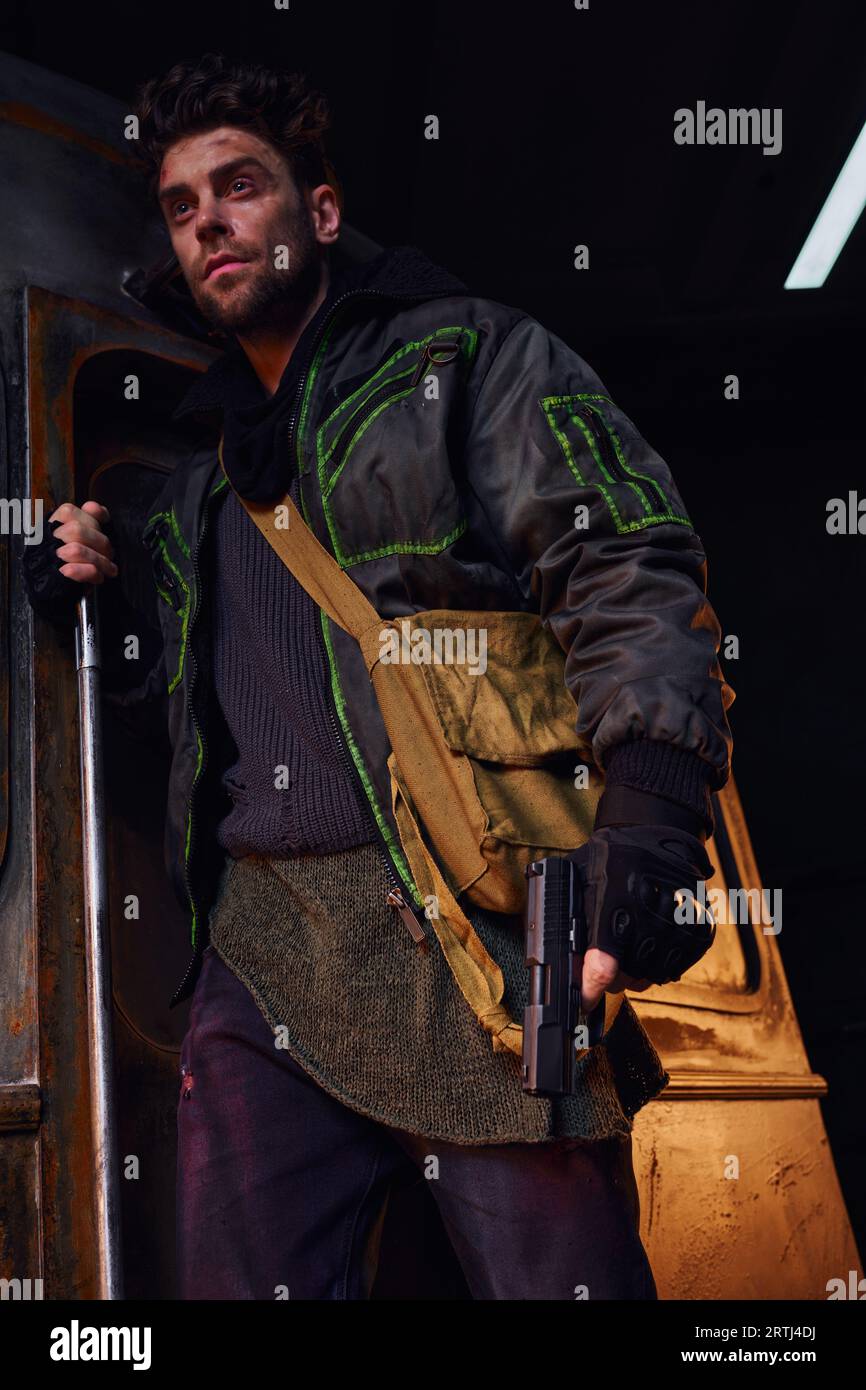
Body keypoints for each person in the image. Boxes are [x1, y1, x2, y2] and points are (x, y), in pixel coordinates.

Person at [23, 53, 734, 1301]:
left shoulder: (469, 361)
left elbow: (621, 563)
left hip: (452, 908)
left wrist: (651, 819)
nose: (210, 225)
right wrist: (95, 604)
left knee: (552, 1279)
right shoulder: (200, 474)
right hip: (260, 941)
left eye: (238, 187)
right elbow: (190, 711)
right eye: (184, 209)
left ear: (321, 212)